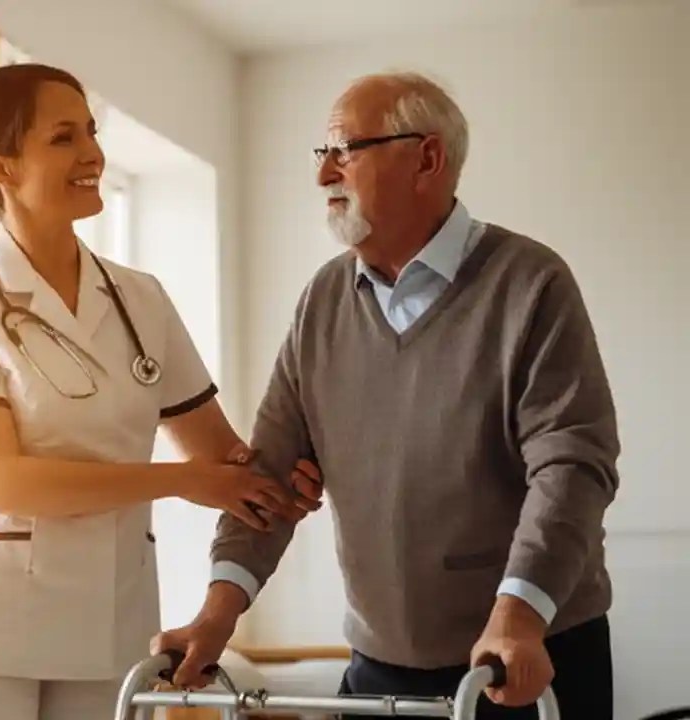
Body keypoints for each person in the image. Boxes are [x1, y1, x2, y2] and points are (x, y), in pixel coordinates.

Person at [154, 71, 619, 720]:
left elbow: (571, 468)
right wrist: (216, 616)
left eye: (345, 150)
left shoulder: (529, 283)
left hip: (523, 655)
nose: (324, 174)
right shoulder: (323, 300)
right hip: (379, 664)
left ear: (426, 159)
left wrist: (518, 614)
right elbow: (271, 476)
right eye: (322, 154)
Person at [0, 63, 324, 720]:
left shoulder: (141, 299)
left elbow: (221, 460)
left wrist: (280, 480)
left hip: (111, 616)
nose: (92, 154)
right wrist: (181, 481)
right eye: (63, 137)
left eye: (91, 133)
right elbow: (2, 483)